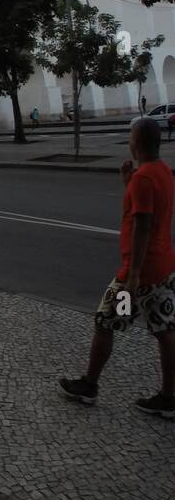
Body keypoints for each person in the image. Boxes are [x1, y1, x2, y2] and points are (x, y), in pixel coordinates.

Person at [60, 117, 175, 417]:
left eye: (130, 137)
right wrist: (128, 184)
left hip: (140, 273)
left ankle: (89, 385)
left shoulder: (144, 179)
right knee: (165, 330)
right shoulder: (162, 172)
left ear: (136, 143)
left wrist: (133, 276)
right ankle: (169, 397)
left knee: (105, 322)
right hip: (163, 267)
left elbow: (143, 226)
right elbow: (147, 209)